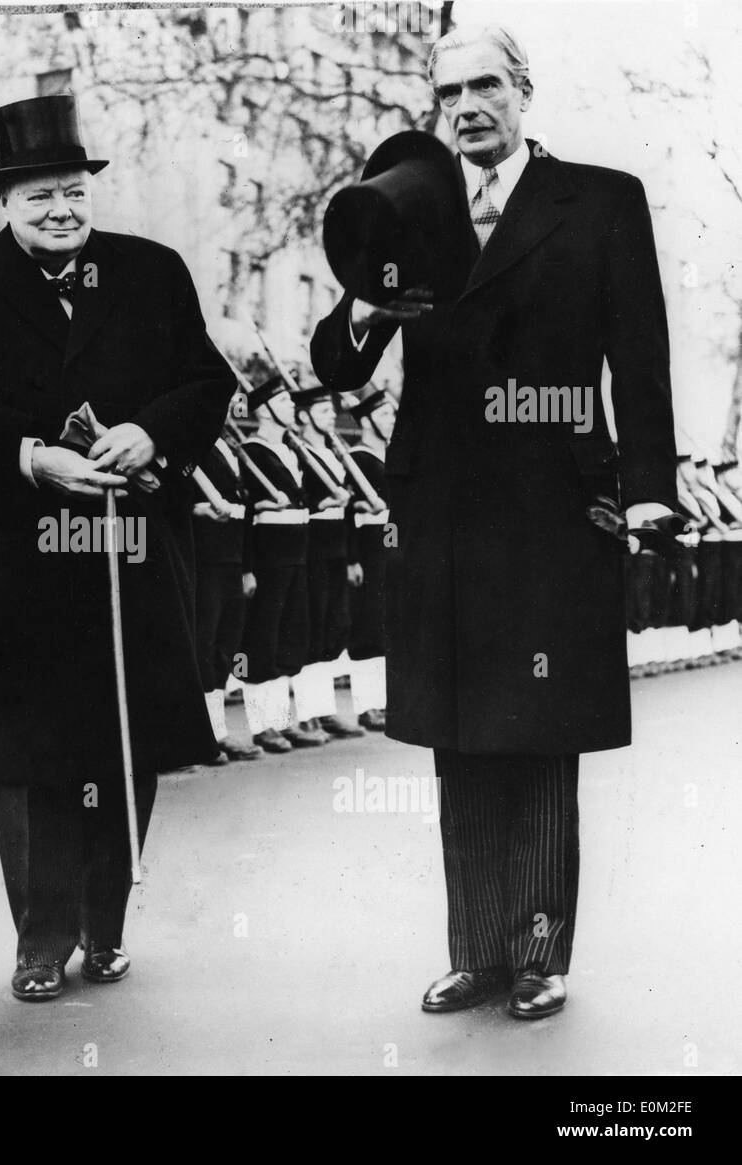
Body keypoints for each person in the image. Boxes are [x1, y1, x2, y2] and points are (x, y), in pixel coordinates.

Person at [311, 24, 677, 1019]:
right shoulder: (403, 212)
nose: (466, 105)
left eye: (484, 86)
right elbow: (337, 365)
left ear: (523, 90)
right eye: (447, 92)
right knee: (458, 730)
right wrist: (367, 302)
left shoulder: (598, 201)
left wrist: (648, 486)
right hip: (440, 510)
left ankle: (540, 951)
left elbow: (638, 355)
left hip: (559, 502)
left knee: (541, 729)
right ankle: (474, 951)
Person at [0, 94, 232, 1001]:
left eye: (72, 192)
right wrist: (30, 456)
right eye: (39, 198)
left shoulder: (151, 271)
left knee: (122, 741)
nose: (61, 211)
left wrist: (152, 434)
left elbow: (205, 381)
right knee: (30, 755)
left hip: (134, 551)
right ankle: (40, 939)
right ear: (4, 203)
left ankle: (105, 930)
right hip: (25, 556)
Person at [235, 379, 314, 753]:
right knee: (262, 637)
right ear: (264, 408)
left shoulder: (291, 451)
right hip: (269, 554)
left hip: (296, 551)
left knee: (288, 636)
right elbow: (248, 511)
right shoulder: (250, 451)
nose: (290, 407)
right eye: (282, 400)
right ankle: (261, 725)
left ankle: (281, 722)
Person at [287, 386, 365, 742]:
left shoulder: (335, 452)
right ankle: (307, 713)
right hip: (310, 547)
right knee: (311, 629)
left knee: (336, 627)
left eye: (331, 411)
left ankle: (325, 709)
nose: (329, 416)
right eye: (321, 411)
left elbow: (347, 513)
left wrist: (351, 558)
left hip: (336, 548)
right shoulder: (296, 453)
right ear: (302, 415)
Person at [192, 423, 262, 764]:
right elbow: (168, 500)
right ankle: (200, 735)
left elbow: (245, 515)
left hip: (232, 561)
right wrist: (197, 511)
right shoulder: (192, 444)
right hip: (204, 560)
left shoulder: (231, 449)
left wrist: (247, 567)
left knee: (225, 647)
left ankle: (217, 731)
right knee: (203, 646)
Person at [340, 388, 393, 729]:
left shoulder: (390, 455)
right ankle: (367, 705)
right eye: (386, 415)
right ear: (368, 420)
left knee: (387, 625)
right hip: (369, 548)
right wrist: (352, 557)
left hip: (391, 547)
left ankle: (386, 701)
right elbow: (346, 512)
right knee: (367, 627)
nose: (392, 420)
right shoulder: (357, 459)